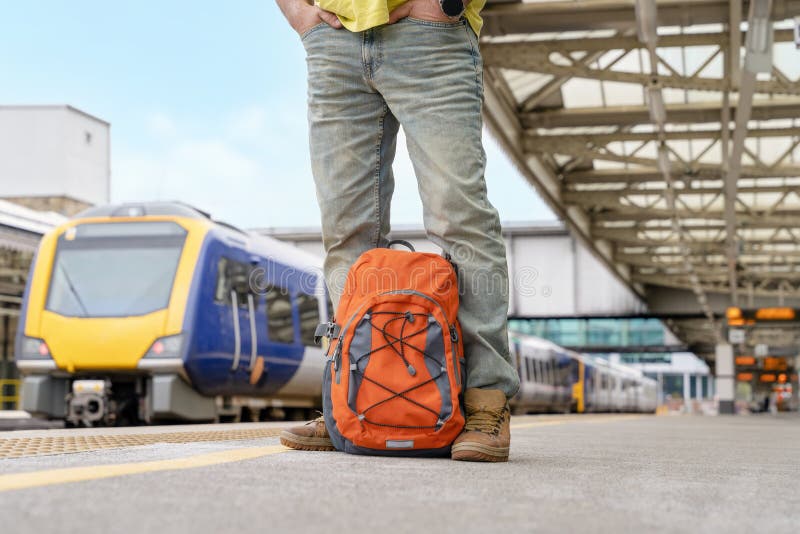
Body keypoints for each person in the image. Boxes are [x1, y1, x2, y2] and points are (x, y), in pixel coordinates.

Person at [276, 0, 520, 462]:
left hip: (431, 33)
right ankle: (346, 403)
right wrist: (297, 12)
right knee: (346, 231)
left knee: (458, 217)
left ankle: (486, 403)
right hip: (332, 39)